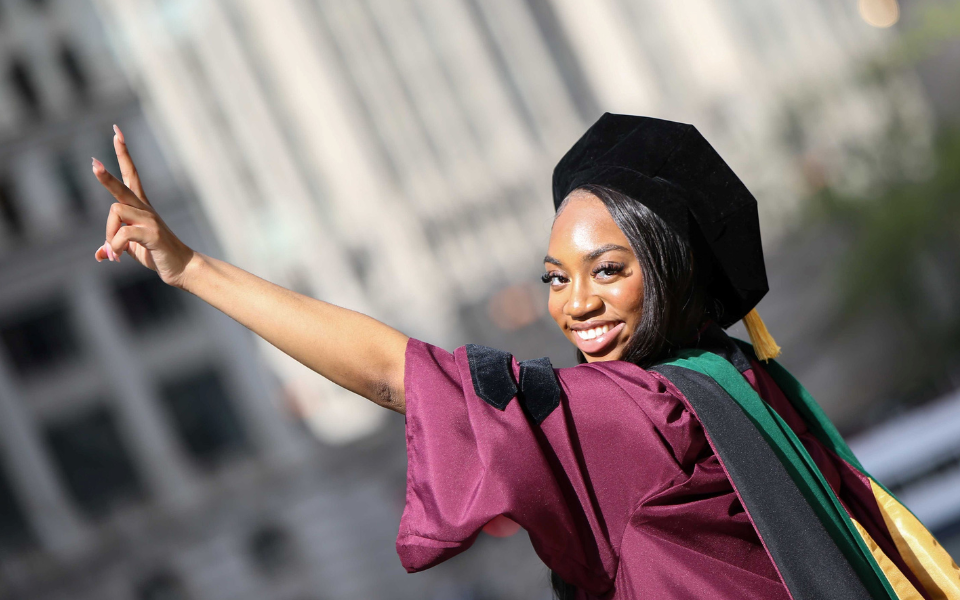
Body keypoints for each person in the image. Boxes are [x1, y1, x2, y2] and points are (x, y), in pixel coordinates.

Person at [92, 115, 959, 599]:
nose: (573, 304)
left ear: (676, 268)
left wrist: (193, 267)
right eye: (555, 275)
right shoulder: (740, 380)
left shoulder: (641, 417)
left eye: (608, 271)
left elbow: (399, 373)